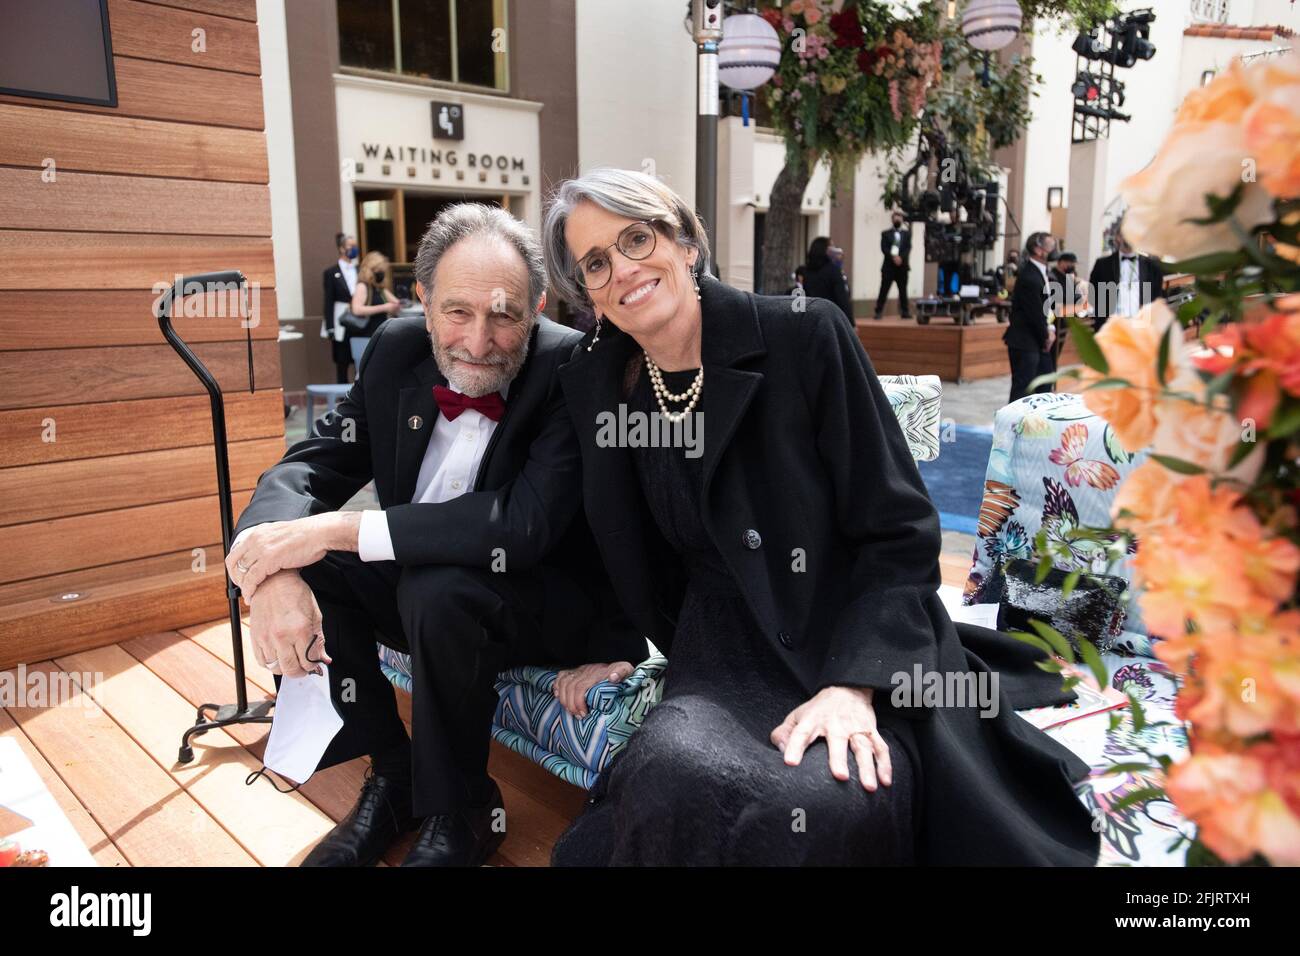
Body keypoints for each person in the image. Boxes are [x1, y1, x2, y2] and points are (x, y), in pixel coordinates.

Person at [541, 168, 1099, 866]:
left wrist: (854, 684)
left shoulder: (803, 338)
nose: (623, 268)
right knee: (672, 766)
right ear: (587, 294)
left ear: (686, 243)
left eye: (637, 238)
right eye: (596, 262)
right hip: (721, 653)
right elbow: (600, 533)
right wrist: (614, 642)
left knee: (828, 800)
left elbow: (898, 531)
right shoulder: (600, 379)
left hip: (850, 629)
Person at [225, 204, 645, 867]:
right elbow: (308, 465)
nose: (478, 342)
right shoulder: (396, 348)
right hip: (427, 590)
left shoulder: (575, 367)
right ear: (422, 299)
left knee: (431, 583)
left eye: (505, 315)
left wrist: (335, 528)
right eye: (457, 312)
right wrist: (270, 569)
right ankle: (395, 776)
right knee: (325, 567)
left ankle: (465, 807)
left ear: (538, 305)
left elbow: (523, 523)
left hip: (546, 602)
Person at [1004, 231, 1057, 403]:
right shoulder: (1029, 276)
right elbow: (1035, 313)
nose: (1054, 250)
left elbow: (1047, 306)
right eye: (1050, 245)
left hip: (1037, 339)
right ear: (1038, 249)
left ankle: (1038, 425)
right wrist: (1046, 336)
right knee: (1022, 390)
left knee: (1044, 385)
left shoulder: (1042, 272)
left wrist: (1050, 329)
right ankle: (1013, 426)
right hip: (1026, 341)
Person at [1088, 225, 1165, 332]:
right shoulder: (1102, 264)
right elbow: (1092, 293)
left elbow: (1157, 296)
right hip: (1109, 326)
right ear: (1117, 237)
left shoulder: (1151, 266)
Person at [349, 251, 402, 353]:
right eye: (379, 269)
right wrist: (385, 307)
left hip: (378, 336)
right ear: (371, 269)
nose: (382, 272)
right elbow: (356, 309)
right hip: (366, 337)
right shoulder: (363, 286)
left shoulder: (378, 288)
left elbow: (396, 303)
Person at [323, 233, 359, 383]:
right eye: (350, 246)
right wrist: (330, 327)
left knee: (360, 360)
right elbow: (328, 301)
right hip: (341, 321)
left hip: (359, 321)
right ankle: (342, 398)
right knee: (342, 361)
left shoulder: (360, 270)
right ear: (341, 248)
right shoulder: (331, 273)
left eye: (355, 246)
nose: (354, 249)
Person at [802, 236, 854, 328]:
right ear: (825, 250)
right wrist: (851, 323)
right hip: (831, 318)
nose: (835, 250)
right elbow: (842, 298)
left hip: (811, 317)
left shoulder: (806, 271)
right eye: (832, 247)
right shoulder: (833, 270)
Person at [874, 210, 912, 320]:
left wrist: (901, 257)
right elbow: (884, 248)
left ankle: (905, 311)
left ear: (902, 219)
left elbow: (908, 248)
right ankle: (878, 311)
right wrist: (893, 257)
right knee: (884, 289)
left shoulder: (907, 234)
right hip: (889, 267)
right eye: (895, 217)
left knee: (903, 290)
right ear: (892, 219)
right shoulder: (885, 234)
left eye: (899, 217)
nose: (897, 219)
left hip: (902, 267)